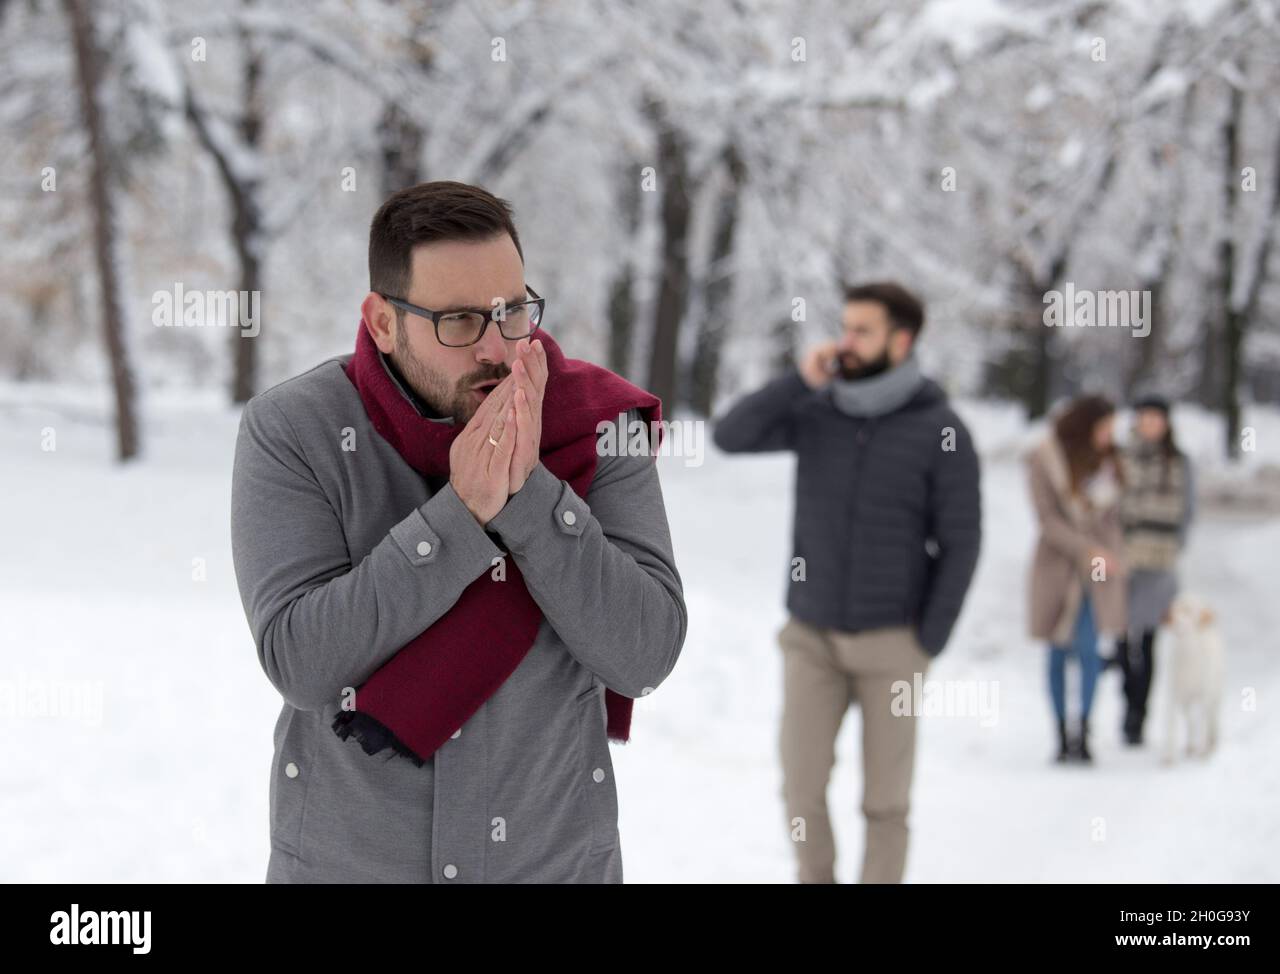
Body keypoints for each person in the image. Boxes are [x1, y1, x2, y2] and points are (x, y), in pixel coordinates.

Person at [231, 180, 687, 883]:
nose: (499, 349)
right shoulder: (295, 431)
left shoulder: (598, 426)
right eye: (460, 323)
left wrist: (529, 495)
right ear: (383, 322)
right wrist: (456, 521)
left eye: (512, 313)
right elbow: (301, 662)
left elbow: (643, 651)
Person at [712, 281, 981, 883]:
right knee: (801, 787)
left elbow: (962, 542)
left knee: (886, 802)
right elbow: (729, 436)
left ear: (901, 339)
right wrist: (799, 383)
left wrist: (926, 640)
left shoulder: (941, 429)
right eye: (846, 327)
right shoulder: (819, 410)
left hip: (894, 644)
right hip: (811, 636)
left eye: (863, 330)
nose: (846, 342)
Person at [1025, 395, 1127, 765]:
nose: (1109, 436)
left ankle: (1082, 729)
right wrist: (1087, 549)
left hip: (1099, 573)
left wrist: (1112, 555)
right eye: (1104, 429)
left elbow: (1114, 519)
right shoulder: (1046, 459)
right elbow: (1047, 520)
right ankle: (1059, 732)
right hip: (1057, 566)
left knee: (1088, 648)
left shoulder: (1110, 463)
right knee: (1056, 650)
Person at [1106, 395, 1195, 745]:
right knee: (1121, 635)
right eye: (1145, 418)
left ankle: (1137, 714)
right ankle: (1126, 697)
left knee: (1148, 638)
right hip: (1123, 558)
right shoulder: (1121, 456)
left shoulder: (1180, 462)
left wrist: (1176, 545)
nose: (1151, 424)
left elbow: (1189, 509)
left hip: (1160, 560)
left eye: (1157, 418)